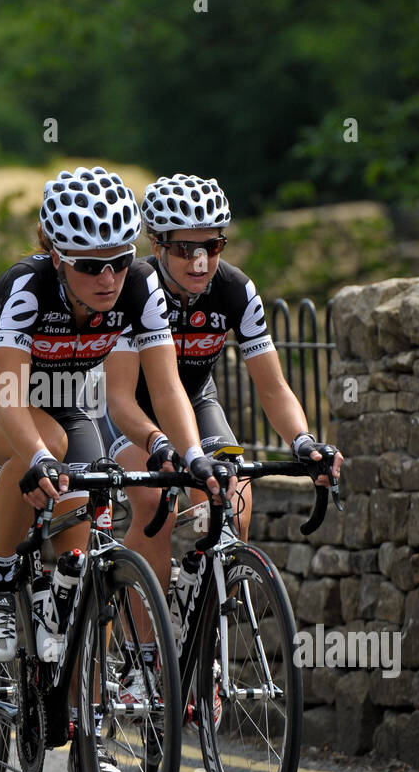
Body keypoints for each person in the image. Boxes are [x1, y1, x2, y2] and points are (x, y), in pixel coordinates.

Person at [0, 166, 233, 772]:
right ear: (54, 254)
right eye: (88, 266)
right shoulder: (25, 289)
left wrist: (190, 454)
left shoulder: (138, 290)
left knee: (89, 566)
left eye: (118, 263)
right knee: (42, 451)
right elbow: (14, 403)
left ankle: (85, 730)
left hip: (71, 402)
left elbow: (169, 385)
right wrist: (43, 459)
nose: (106, 279)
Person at [101, 173, 343, 594]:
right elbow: (119, 397)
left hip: (195, 400)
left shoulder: (236, 289)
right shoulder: (134, 288)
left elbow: (273, 388)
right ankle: (149, 655)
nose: (200, 262)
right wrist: (163, 445)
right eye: (184, 249)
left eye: (211, 246)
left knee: (236, 504)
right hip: (132, 411)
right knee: (155, 500)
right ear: (157, 245)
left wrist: (303, 441)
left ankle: (202, 621)